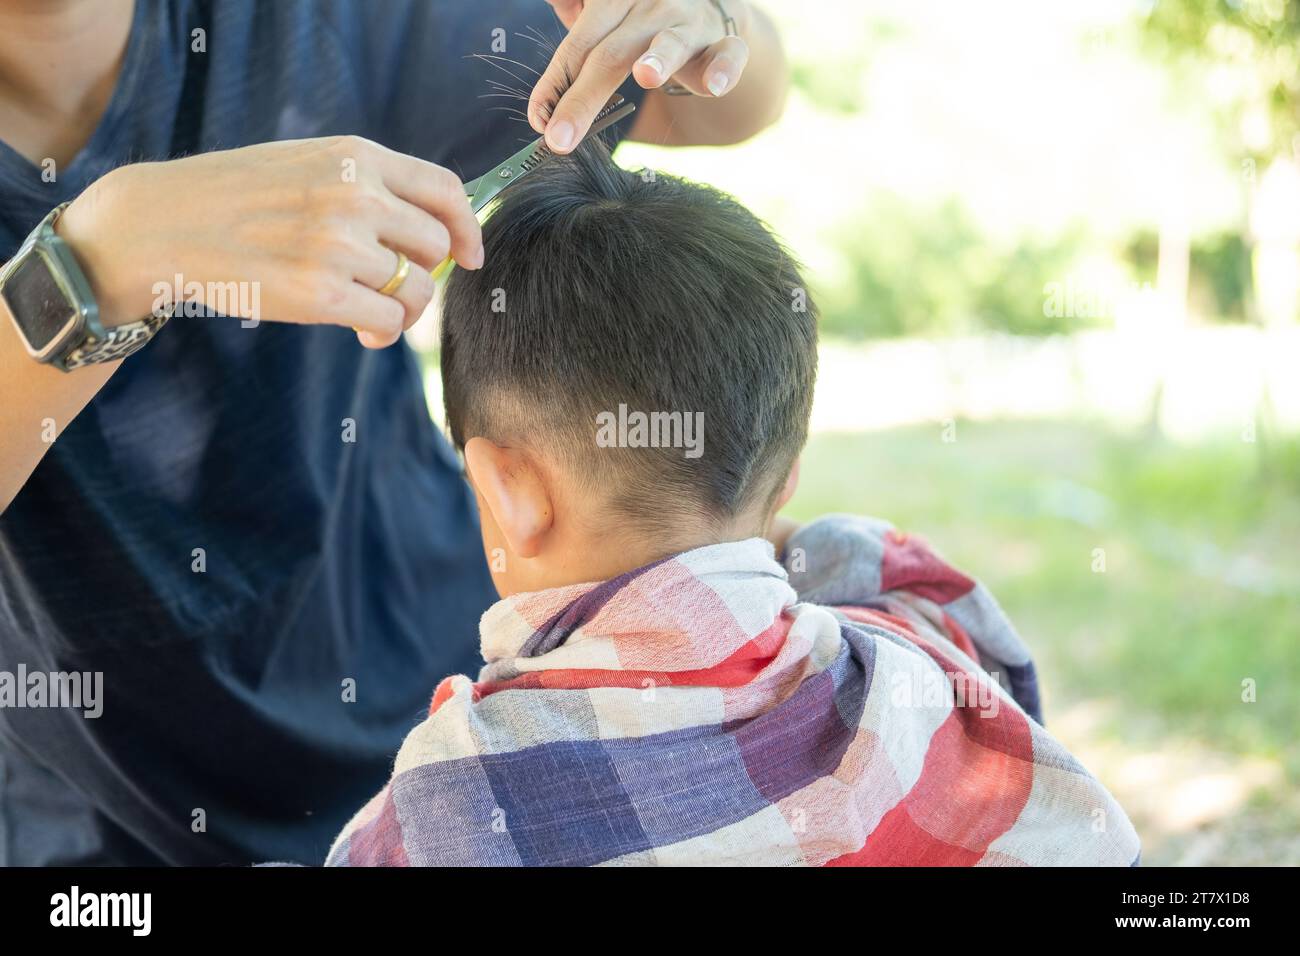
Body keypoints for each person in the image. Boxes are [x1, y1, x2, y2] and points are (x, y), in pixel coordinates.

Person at [0, 0, 789, 865]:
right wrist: (105, 254)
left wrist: (703, 24)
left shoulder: (312, 25)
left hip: (475, 732)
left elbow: (715, 101)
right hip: (118, 827)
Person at [324, 141, 1141, 866]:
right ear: (786, 477)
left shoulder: (450, 802)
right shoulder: (920, 671)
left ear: (507, 489)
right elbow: (892, 573)